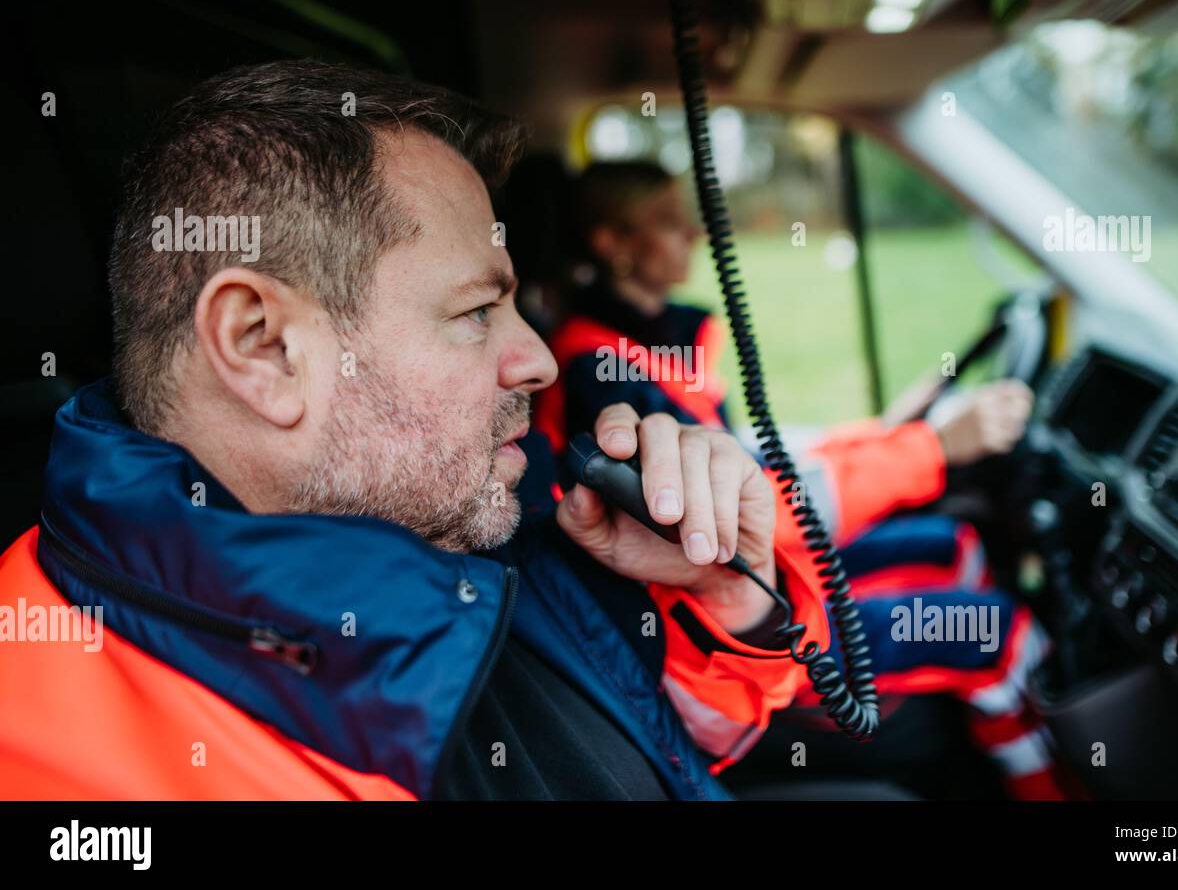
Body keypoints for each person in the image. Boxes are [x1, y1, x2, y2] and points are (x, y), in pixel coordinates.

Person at [0, 62, 837, 801]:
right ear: (263, 347)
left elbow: (665, 755)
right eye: (477, 311)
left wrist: (725, 606)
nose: (540, 361)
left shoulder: (478, 532)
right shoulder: (55, 747)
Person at [535, 160, 1070, 799]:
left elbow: (759, 460)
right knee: (999, 632)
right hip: (729, 634)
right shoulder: (603, 374)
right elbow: (751, 517)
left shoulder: (656, 346)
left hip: (783, 577)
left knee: (958, 546)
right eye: (668, 223)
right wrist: (929, 449)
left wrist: (890, 430)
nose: (694, 236)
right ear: (611, 243)